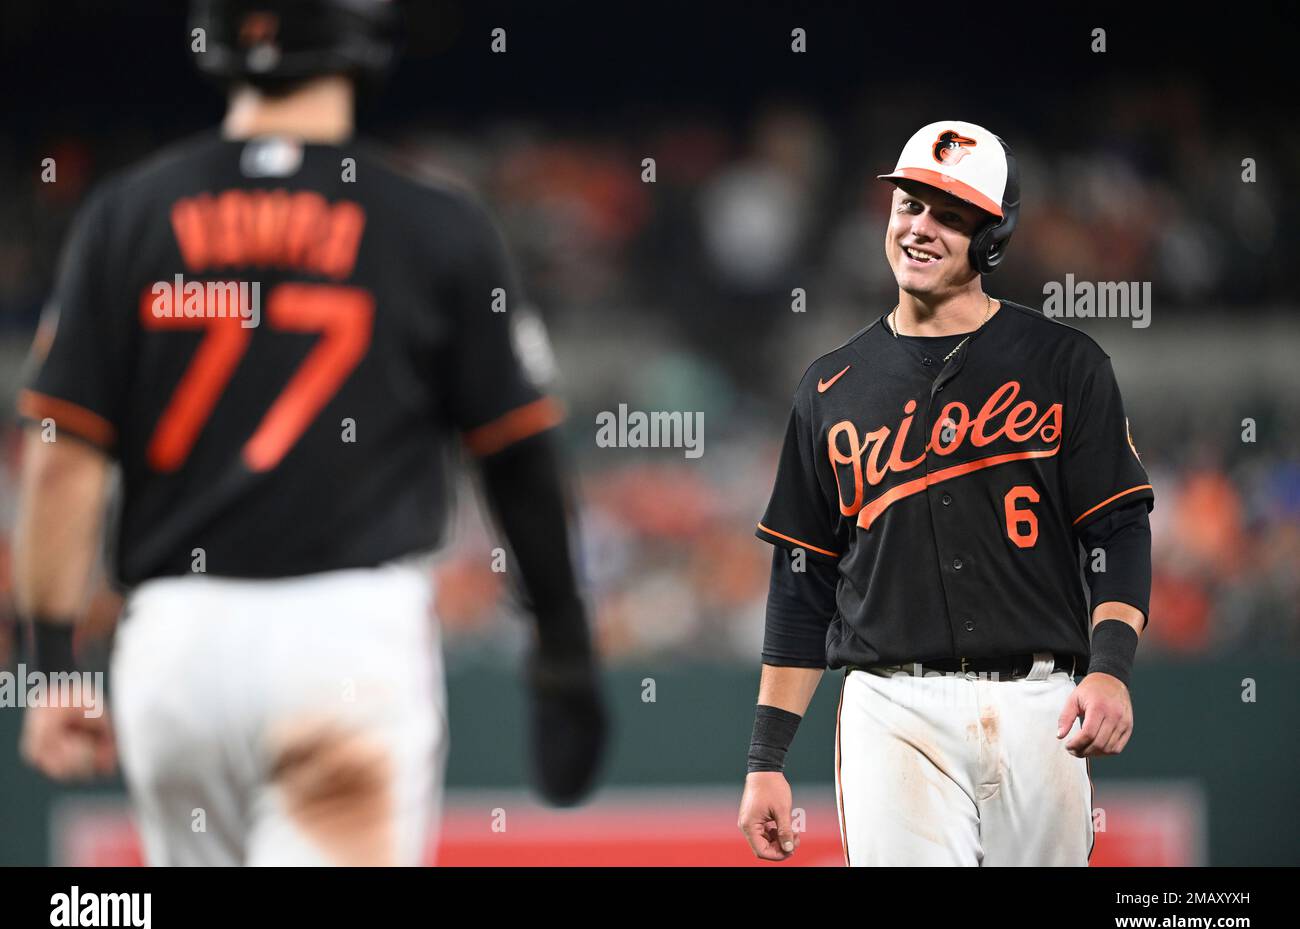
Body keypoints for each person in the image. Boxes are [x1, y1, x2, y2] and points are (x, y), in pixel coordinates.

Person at [14, 0, 605, 866]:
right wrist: (562, 650)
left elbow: (61, 461)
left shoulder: (127, 215)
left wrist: (54, 665)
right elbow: (517, 458)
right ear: (361, 36)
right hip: (346, 638)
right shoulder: (430, 220)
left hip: (175, 645)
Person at [737, 120, 1153, 866]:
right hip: (893, 706)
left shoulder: (1065, 365)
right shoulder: (832, 386)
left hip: (1041, 704)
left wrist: (1111, 668)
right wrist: (767, 758)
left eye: (950, 215)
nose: (920, 228)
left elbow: (1117, 530)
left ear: (992, 237)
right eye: (909, 205)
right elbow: (803, 582)